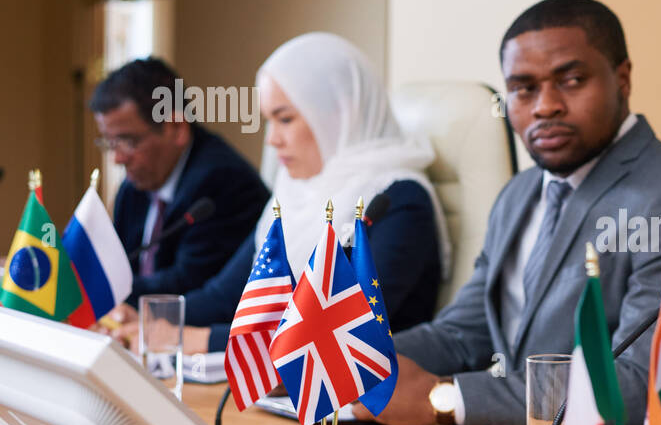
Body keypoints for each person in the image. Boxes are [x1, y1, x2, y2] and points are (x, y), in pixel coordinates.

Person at [365, 0, 661, 425]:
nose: (545, 106)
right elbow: (464, 334)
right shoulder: (519, 193)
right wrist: (349, 359)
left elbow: (639, 384)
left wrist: (445, 399)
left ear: (623, 78)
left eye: (572, 80)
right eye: (523, 89)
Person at [106, 32, 449, 355]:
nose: (272, 140)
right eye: (268, 121)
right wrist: (152, 321)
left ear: (339, 114)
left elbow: (336, 329)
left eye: (285, 119)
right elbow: (226, 296)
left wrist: (195, 337)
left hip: (360, 407)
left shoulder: (398, 200)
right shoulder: (292, 195)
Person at [92, 57, 269, 301]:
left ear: (176, 127)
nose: (117, 159)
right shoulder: (134, 187)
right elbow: (119, 264)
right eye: (109, 143)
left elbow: (189, 285)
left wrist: (98, 290)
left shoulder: (225, 182)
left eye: (128, 141)